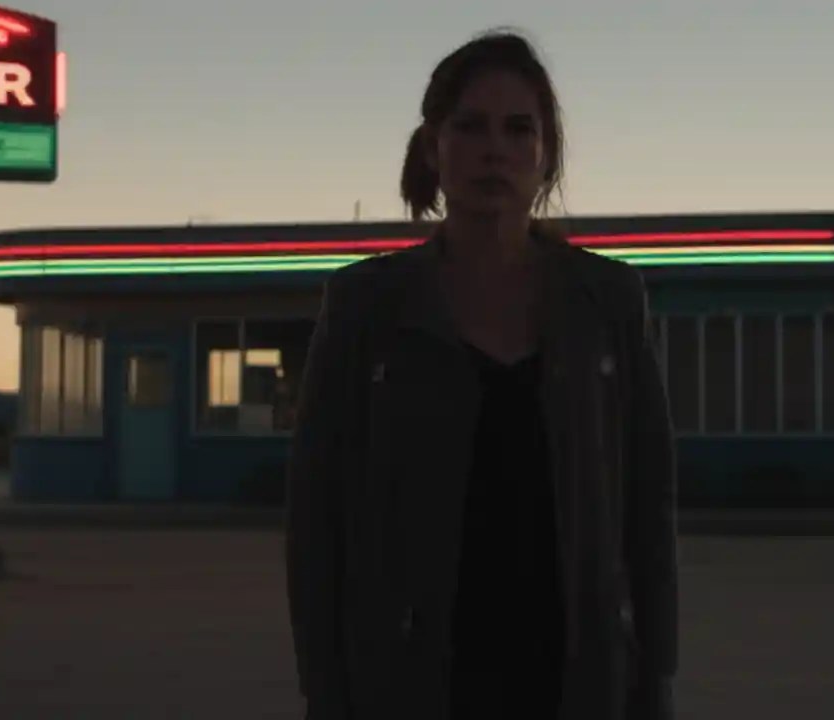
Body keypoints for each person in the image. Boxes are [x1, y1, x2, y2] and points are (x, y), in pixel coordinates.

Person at [285, 29, 678, 720]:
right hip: (412, 681)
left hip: (573, 681)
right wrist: (325, 691)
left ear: (546, 154)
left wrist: (653, 684)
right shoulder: (364, 307)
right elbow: (317, 520)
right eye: (470, 126)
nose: (494, 149)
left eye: (518, 128)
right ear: (432, 148)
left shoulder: (608, 303)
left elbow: (646, 514)